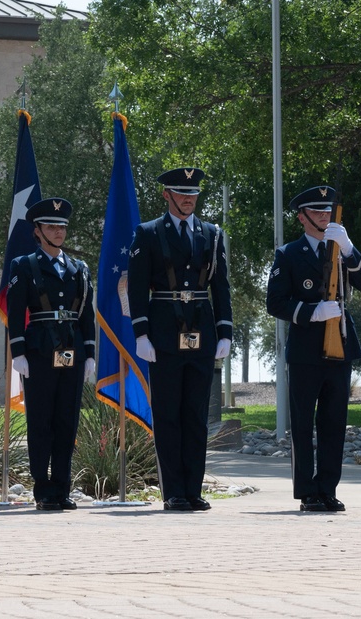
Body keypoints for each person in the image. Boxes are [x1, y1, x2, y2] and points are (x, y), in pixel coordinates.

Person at [128, 167, 232, 511]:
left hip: (201, 331)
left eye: (193, 194)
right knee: (169, 414)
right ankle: (173, 491)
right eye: (181, 193)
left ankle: (193, 489)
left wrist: (226, 330)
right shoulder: (148, 233)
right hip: (164, 333)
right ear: (166, 195)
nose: (188, 200)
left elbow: (220, 286)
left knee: (196, 415)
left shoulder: (211, 234)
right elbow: (138, 287)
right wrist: (141, 333)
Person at [266, 185, 361, 512]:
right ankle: (306, 491)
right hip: (305, 350)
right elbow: (275, 303)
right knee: (302, 423)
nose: (325, 217)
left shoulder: (340, 249)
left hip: (339, 345)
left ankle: (328, 488)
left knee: (333, 421)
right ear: (302, 217)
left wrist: (350, 248)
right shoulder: (288, 254)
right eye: (317, 212)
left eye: (328, 212)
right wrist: (312, 312)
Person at [7, 198, 96, 511]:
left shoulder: (78, 269)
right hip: (39, 352)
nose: (58, 232)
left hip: (72, 350)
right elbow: (15, 313)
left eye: (62, 226)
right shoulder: (24, 266)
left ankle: (62, 486)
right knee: (41, 421)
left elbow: (87, 315)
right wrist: (18, 351)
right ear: (37, 231)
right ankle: (42, 487)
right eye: (51, 226)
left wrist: (90, 354)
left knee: (66, 422)